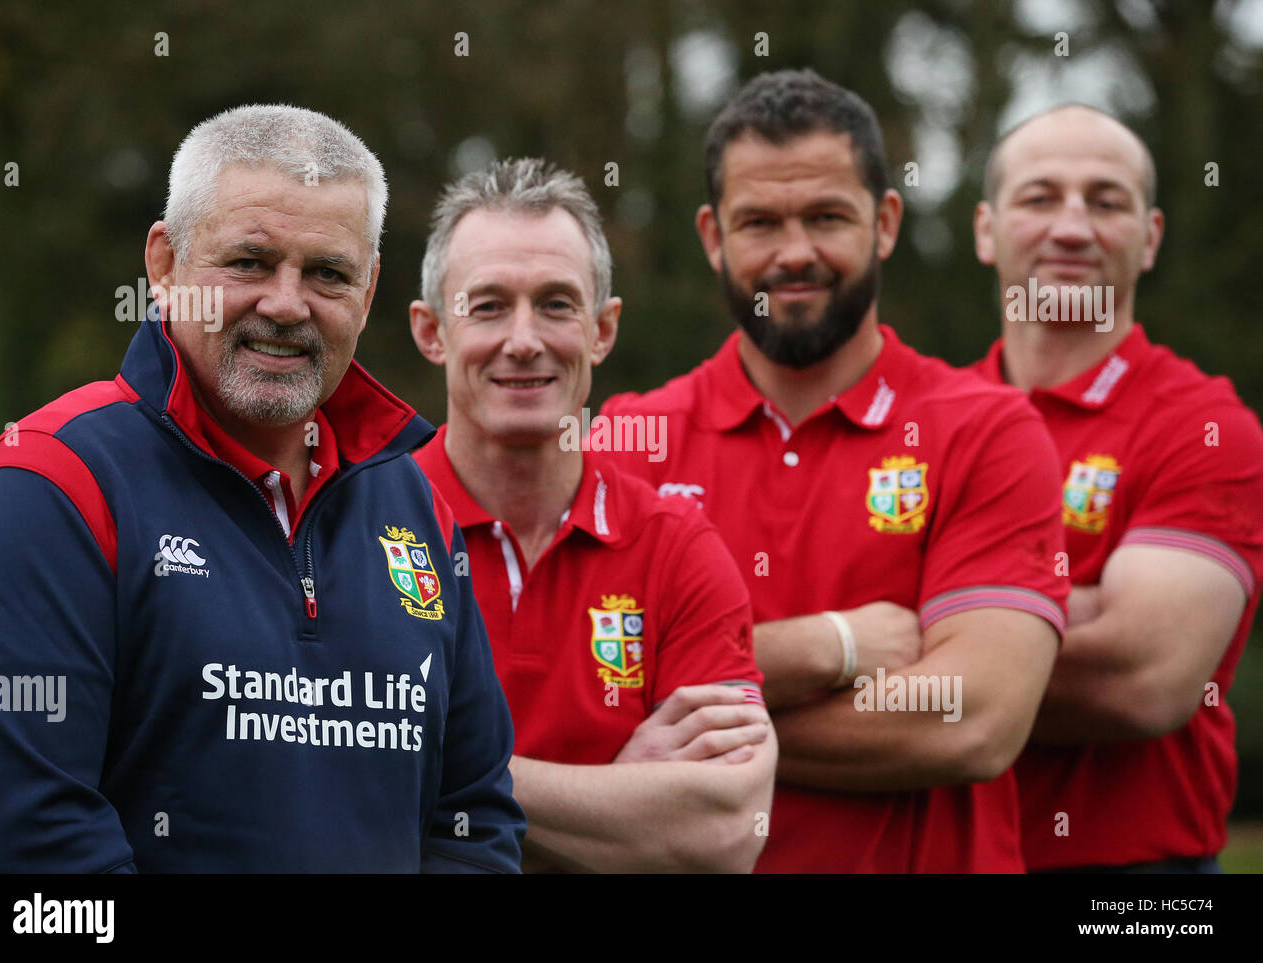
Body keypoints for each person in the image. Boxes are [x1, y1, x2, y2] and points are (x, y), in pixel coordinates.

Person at [0, 105, 524, 873]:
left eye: (327, 273)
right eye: (250, 263)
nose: (286, 304)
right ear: (165, 266)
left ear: (367, 293)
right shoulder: (53, 485)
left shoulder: (415, 505)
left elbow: (475, 819)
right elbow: (27, 849)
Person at [601, 69, 1068, 873]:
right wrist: (832, 647)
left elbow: (972, 716)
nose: (794, 253)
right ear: (713, 236)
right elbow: (578, 699)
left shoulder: (986, 431)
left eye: (826, 216)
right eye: (760, 222)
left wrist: (680, 725)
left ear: (885, 221)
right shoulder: (626, 441)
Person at [408, 158, 776, 872]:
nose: (523, 339)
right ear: (431, 331)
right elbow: (322, 780)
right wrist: (617, 793)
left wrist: (433, 772)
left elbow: (725, 828)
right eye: (487, 306)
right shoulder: (351, 530)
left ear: (603, 329)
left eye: (555, 304)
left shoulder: (676, 545)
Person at [970, 104, 1263, 872]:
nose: (1071, 228)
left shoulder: (1205, 426)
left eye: (1106, 201)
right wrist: (1079, 603)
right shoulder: (930, 420)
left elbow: (1141, 680)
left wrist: (932, 627)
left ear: (1151, 236)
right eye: (1039, 197)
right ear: (986, 230)